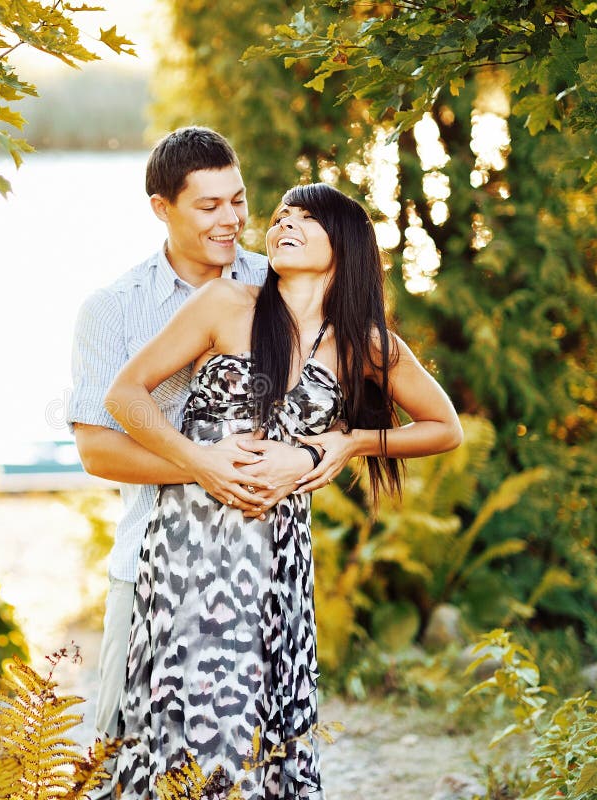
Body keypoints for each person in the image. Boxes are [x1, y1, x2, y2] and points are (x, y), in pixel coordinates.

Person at [105, 182, 464, 798]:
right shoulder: (225, 303)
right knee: (190, 719)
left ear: (344, 242)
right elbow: (125, 394)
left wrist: (351, 442)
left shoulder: (364, 345)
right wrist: (199, 460)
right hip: (191, 546)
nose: (282, 225)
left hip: (277, 556)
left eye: (304, 218)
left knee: (260, 724)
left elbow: (444, 428)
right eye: (278, 218)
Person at [66, 128, 321, 791]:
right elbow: (96, 448)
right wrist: (203, 465)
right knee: (128, 757)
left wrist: (326, 452)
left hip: (262, 568)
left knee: (257, 762)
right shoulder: (113, 308)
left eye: (238, 201)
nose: (232, 221)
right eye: (208, 206)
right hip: (149, 559)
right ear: (162, 208)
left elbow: (337, 393)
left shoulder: (280, 282)